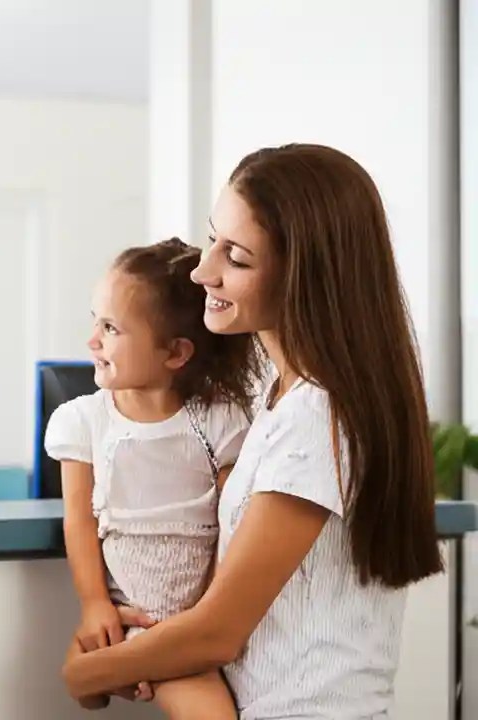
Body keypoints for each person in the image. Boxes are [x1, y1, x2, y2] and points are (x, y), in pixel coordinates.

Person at [61, 144, 443, 717]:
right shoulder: (278, 402)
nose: (201, 270)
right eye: (213, 239)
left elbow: (218, 632)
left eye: (235, 257)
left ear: (304, 277)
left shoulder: (317, 417)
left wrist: (82, 672)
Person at [46, 238, 261, 718]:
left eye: (111, 328)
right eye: (94, 321)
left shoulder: (220, 423)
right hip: (129, 617)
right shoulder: (82, 422)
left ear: (175, 353)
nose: (92, 340)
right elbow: (78, 522)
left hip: (193, 627)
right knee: (87, 689)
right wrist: (94, 605)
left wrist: (197, 622)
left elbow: (236, 525)